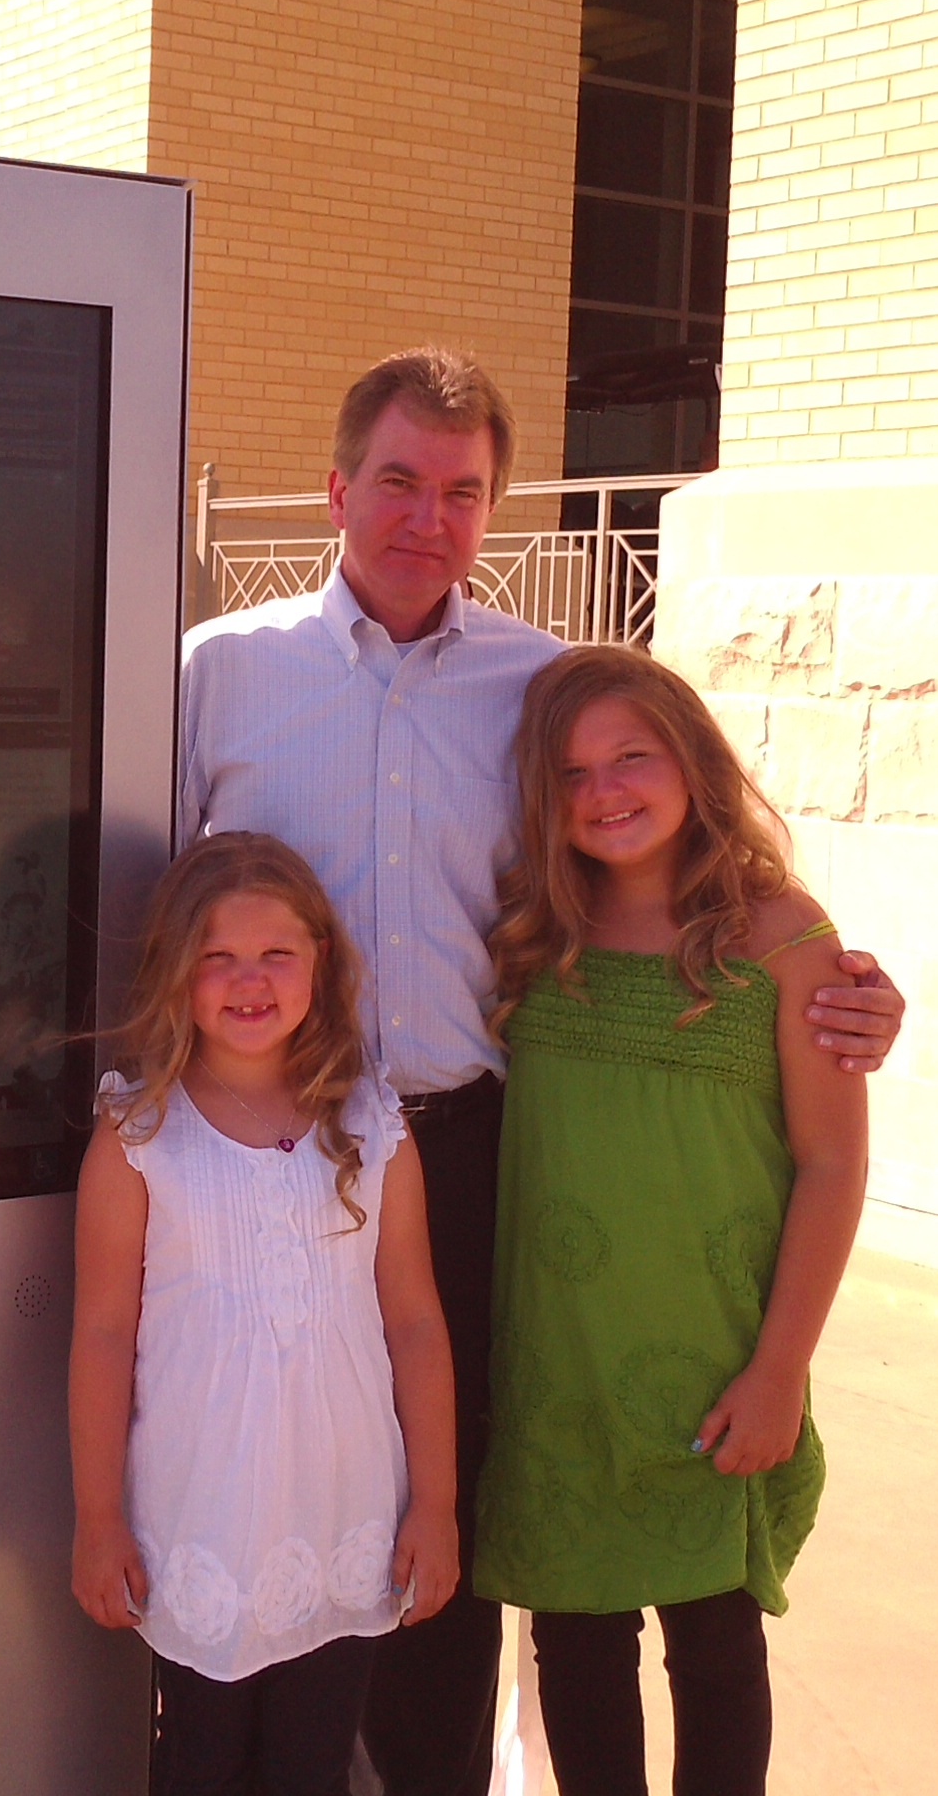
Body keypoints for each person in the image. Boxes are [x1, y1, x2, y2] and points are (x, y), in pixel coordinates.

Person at [176, 349, 905, 1796]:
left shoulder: (536, 688)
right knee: (261, 1489)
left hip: (472, 1156)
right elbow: (148, 903)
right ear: (335, 488)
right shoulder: (218, 676)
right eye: (395, 480)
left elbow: (664, 869)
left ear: (490, 512)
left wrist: (840, 997)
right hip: (264, 1155)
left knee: (458, 1511)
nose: (424, 517)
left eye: (459, 492)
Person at [473, 647, 865, 1794]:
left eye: (629, 757)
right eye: (570, 772)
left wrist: (780, 1367)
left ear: (691, 762)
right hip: (556, 1371)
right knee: (576, 1642)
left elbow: (832, 1162)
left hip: (714, 1358)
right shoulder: (528, 936)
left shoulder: (783, 939)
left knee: (713, 1642)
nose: (603, 791)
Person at [70, 832, 459, 1796]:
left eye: (276, 954)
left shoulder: (371, 1125)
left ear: (320, 963)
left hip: (344, 1513)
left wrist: (438, 1504)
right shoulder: (139, 1135)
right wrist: (95, 1516)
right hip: (202, 1513)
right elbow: (102, 1334)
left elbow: (413, 1320)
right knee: (200, 1760)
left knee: (310, 1767)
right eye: (218, 959)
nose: (250, 981)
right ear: (176, 974)